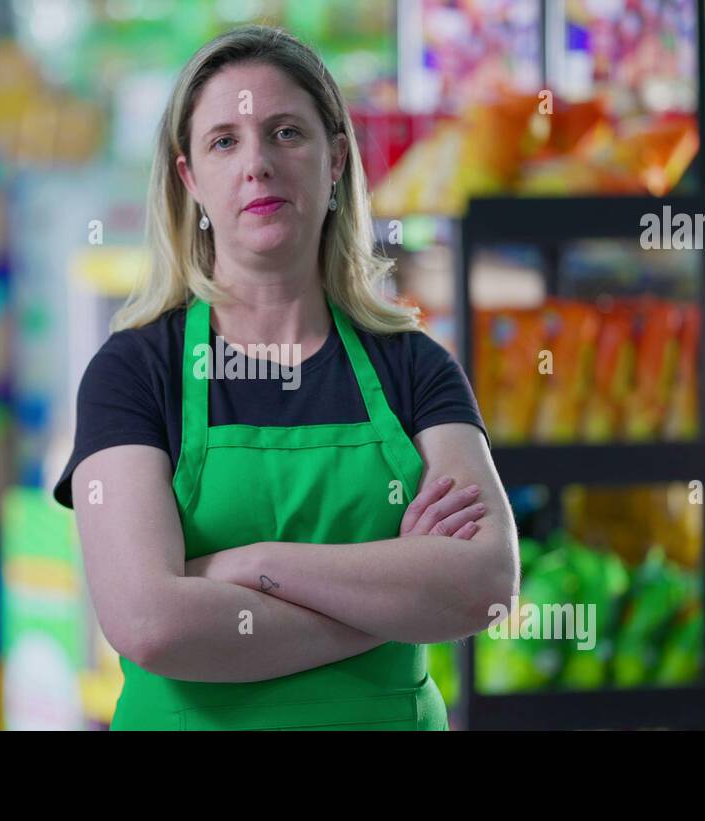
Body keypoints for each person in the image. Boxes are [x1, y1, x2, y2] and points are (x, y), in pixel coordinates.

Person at [53, 24, 519, 730]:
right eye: (224, 141)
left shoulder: (414, 366)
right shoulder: (132, 373)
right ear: (190, 181)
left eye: (286, 133)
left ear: (335, 160)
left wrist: (256, 564)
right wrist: (393, 599)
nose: (258, 163)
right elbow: (149, 621)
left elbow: (484, 584)